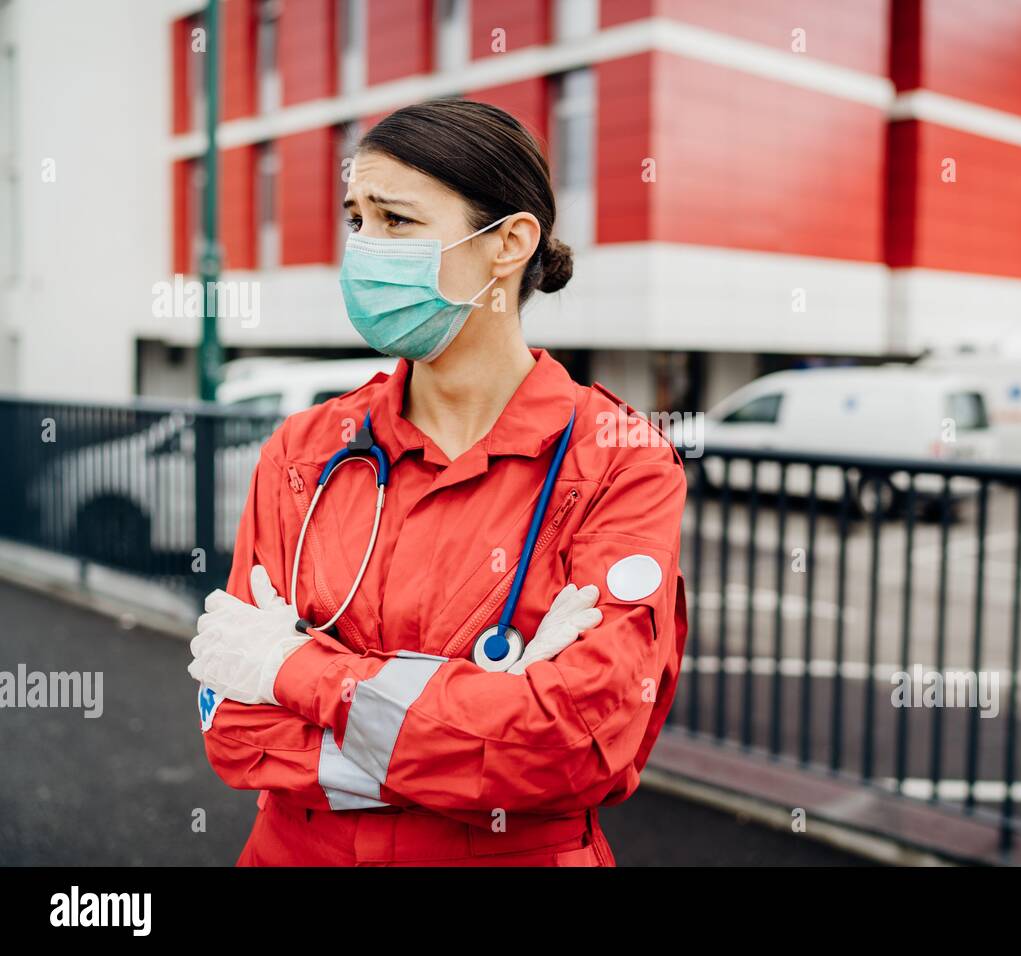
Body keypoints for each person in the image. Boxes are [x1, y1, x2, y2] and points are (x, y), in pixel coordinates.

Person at [187, 99, 688, 867]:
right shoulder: (305, 450)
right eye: (356, 220)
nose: (363, 248)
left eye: (395, 221)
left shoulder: (619, 460)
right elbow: (235, 725)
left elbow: (578, 749)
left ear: (509, 245)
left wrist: (293, 669)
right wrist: (490, 715)